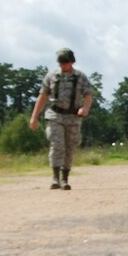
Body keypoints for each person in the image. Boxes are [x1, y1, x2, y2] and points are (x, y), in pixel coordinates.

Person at [29, 48, 94, 190]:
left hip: (73, 117)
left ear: (71, 62)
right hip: (55, 115)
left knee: (70, 147)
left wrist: (85, 108)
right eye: (61, 63)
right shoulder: (51, 76)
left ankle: (65, 179)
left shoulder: (80, 77)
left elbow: (88, 95)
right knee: (57, 144)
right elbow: (43, 96)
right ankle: (55, 177)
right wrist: (34, 117)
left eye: (66, 62)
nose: (63, 65)